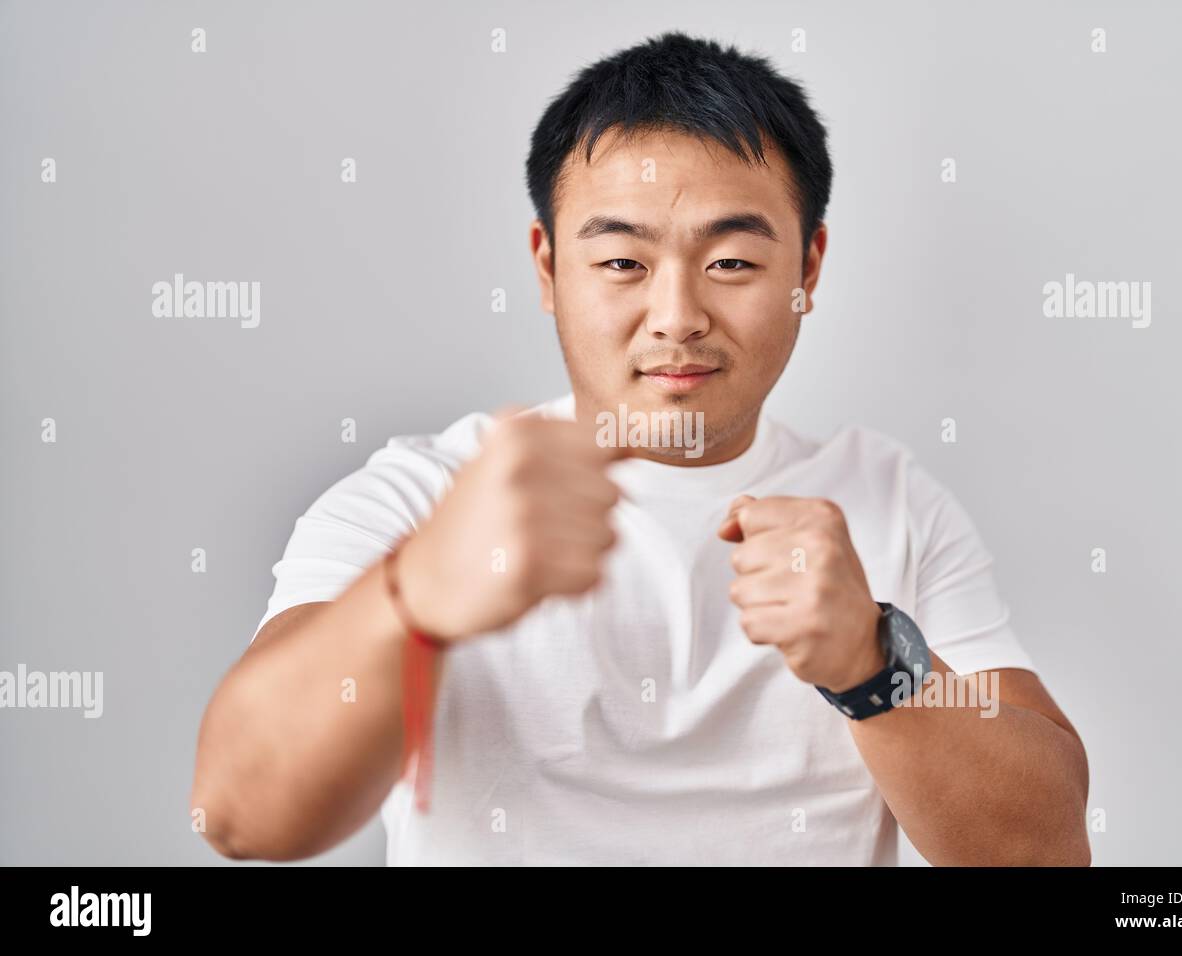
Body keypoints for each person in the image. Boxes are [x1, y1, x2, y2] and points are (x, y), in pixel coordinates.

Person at [191, 31, 1090, 866]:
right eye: (623, 263)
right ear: (547, 268)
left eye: (732, 262)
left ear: (807, 271)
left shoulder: (888, 499)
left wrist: (872, 663)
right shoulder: (419, 496)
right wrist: (414, 594)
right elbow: (238, 813)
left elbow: (1047, 847)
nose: (677, 317)